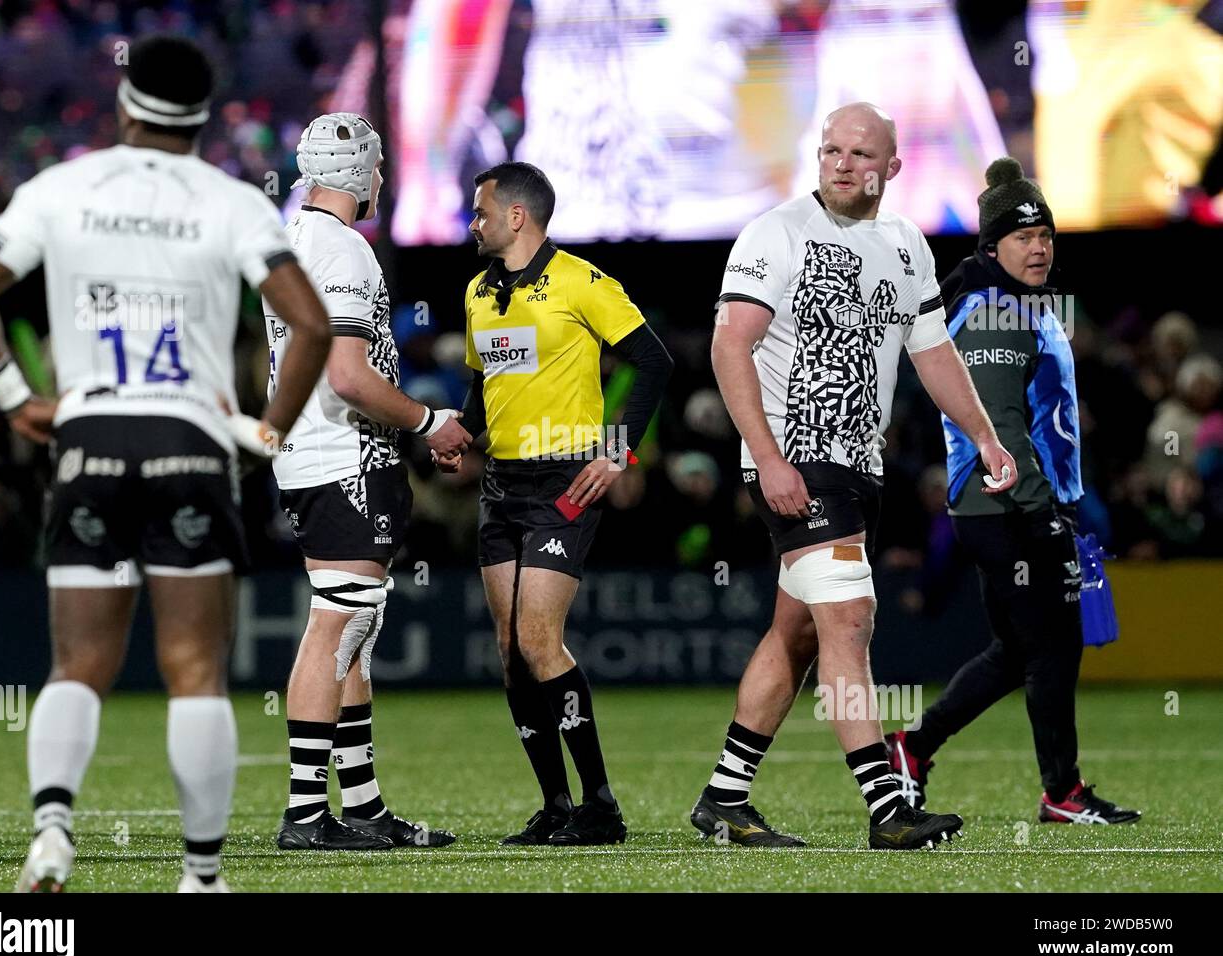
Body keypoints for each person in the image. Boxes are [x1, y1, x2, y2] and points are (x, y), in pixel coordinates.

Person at [0, 35, 334, 892]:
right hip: (188, 442)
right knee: (193, 671)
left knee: (77, 664)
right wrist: (268, 433)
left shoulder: (62, 187)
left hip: (89, 439)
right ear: (201, 113)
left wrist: (15, 401)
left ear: (125, 101)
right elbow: (308, 325)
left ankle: (51, 831)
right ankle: (199, 877)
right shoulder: (232, 201)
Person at [693, 102, 1017, 850]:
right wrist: (768, 459)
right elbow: (728, 347)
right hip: (795, 463)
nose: (842, 162)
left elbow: (932, 352)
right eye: (831, 149)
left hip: (855, 467)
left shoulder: (906, 246)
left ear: (893, 168)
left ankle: (723, 798)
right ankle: (888, 806)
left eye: (861, 153)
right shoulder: (773, 232)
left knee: (798, 631)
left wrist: (984, 438)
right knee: (850, 615)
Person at [885, 158, 1141, 825]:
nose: (1038, 248)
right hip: (1008, 506)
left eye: (1046, 237)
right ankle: (1063, 792)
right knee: (1054, 648)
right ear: (992, 246)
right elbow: (1000, 426)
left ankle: (912, 748)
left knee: (1018, 652)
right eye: (1023, 238)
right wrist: (1046, 514)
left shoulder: (1007, 302)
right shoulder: (995, 311)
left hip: (1001, 505)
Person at [436, 161, 672, 845]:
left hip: (565, 482)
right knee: (511, 652)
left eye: (480, 211)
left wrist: (617, 449)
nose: (471, 223)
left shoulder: (582, 282)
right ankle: (557, 807)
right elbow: (486, 388)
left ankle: (601, 807)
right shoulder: (479, 291)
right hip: (500, 486)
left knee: (540, 641)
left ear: (517, 216)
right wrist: (461, 433)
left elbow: (654, 361)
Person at [266, 113, 470, 851]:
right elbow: (350, 376)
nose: (382, 179)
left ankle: (363, 805)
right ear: (357, 173)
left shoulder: (292, 242)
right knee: (341, 625)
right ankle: (305, 814)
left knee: (354, 627)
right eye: (377, 167)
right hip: (342, 454)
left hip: (309, 452)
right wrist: (427, 422)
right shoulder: (345, 250)